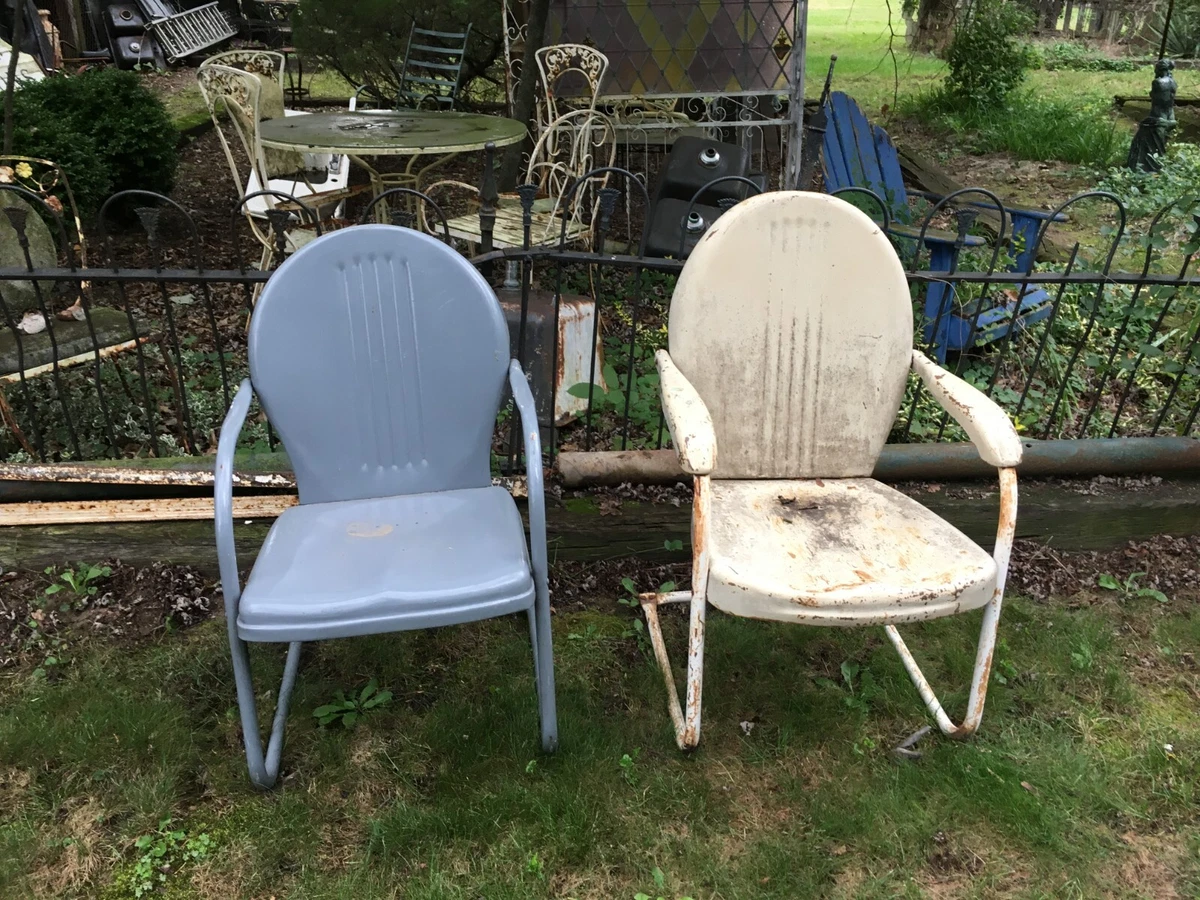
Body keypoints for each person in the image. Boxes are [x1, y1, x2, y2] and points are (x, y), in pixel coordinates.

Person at [1126, 59, 1177, 173]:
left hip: (1158, 118)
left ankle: (1143, 171)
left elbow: (1159, 100)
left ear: (1158, 69)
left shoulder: (1157, 83)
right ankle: (1156, 172)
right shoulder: (1173, 82)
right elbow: (1168, 99)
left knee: (1141, 144)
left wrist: (1152, 93)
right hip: (1171, 118)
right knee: (1159, 148)